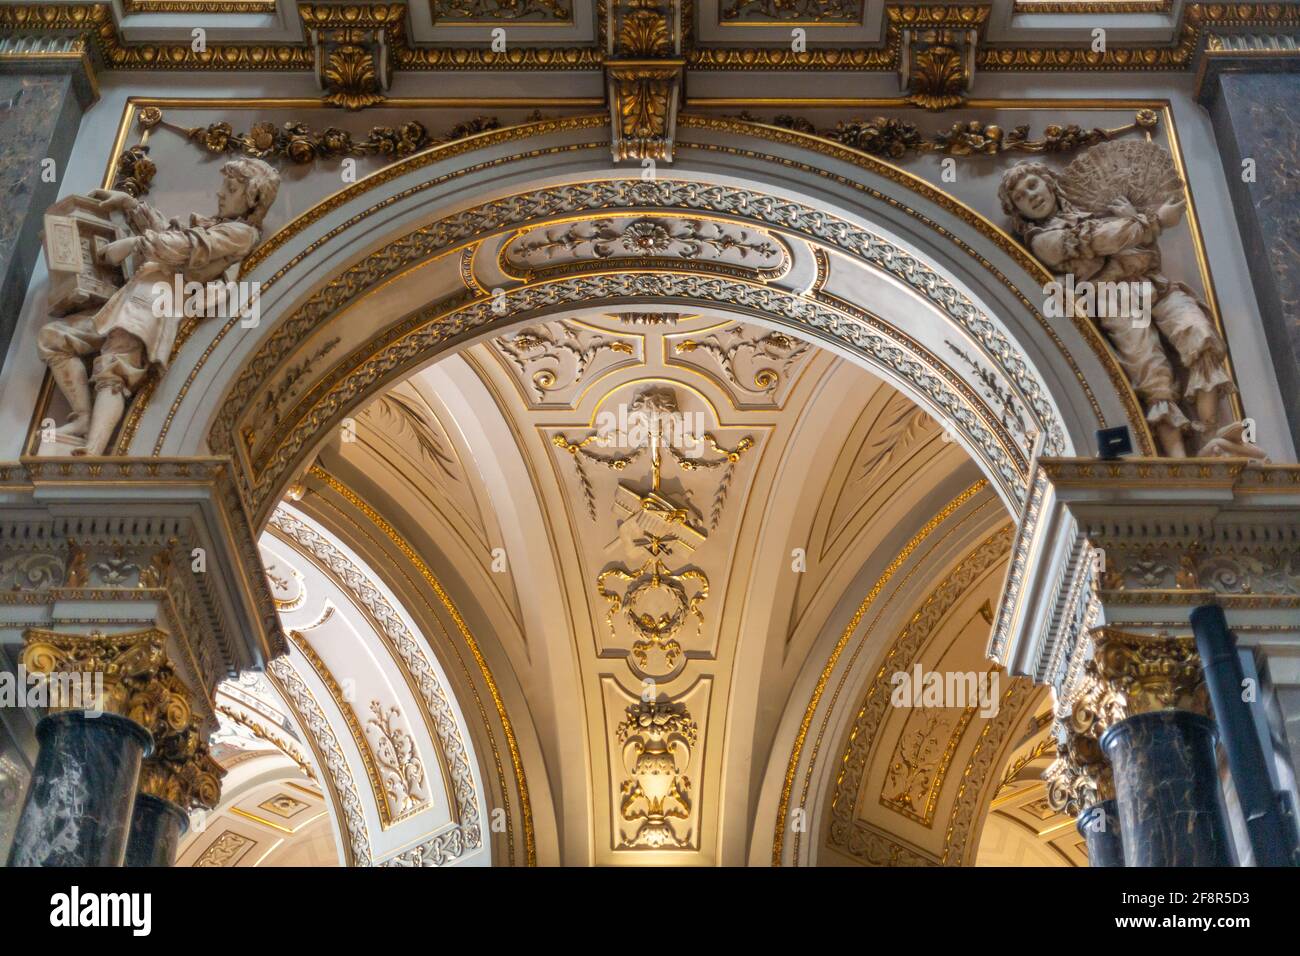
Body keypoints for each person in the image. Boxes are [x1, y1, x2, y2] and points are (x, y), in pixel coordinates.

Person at [38, 156, 279, 455]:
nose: (220, 193)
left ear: (252, 200)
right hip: (135, 293)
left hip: (157, 300)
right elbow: (172, 234)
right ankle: (83, 418)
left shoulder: (242, 234)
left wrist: (135, 244)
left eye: (229, 189)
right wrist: (129, 204)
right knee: (53, 338)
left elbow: (187, 246)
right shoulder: (216, 225)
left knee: (116, 367)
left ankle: (93, 450)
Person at [999, 161, 1234, 457]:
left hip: (1153, 286)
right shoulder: (1043, 241)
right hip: (1113, 298)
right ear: (1018, 212)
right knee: (1153, 377)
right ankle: (1180, 464)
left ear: (1049, 183)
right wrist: (1152, 222)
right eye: (1020, 197)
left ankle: (1207, 438)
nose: (1030, 196)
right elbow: (1098, 241)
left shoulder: (1091, 212)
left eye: (1032, 185)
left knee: (1200, 335)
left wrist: (1134, 220)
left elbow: (1137, 249)